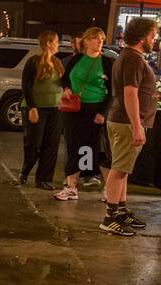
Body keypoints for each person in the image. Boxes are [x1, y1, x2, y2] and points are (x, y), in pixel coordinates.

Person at [100, 17, 159, 237]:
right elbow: (130, 92)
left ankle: (121, 211)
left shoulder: (129, 56)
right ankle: (110, 218)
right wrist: (137, 125)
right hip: (127, 121)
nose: (155, 39)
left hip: (121, 119)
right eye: (153, 35)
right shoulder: (133, 58)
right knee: (119, 169)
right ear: (143, 37)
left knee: (123, 168)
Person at [54, 27, 114, 200]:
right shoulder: (77, 59)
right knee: (74, 146)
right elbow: (64, 78)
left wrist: (103, 112)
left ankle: (110, 189)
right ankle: (71, 186)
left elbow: (112, 91)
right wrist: (65, 88)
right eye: (95, 38)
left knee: (100, 150)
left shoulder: (107, 62)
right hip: (75, 109)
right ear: (86, 41)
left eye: (101, 39)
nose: (99, 42)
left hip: (96, 110)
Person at [18, 31, 64, 189]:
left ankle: (44, 179)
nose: (59, 44)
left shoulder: (57, 62)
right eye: (57, 41)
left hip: (55, 109)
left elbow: (63, 84)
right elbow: (26, 85)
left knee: (51, 144)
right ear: (48, 43)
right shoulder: (33, 62)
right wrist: (32, 107)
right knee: (34, 144)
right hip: (36, 108)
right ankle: (25, 171)